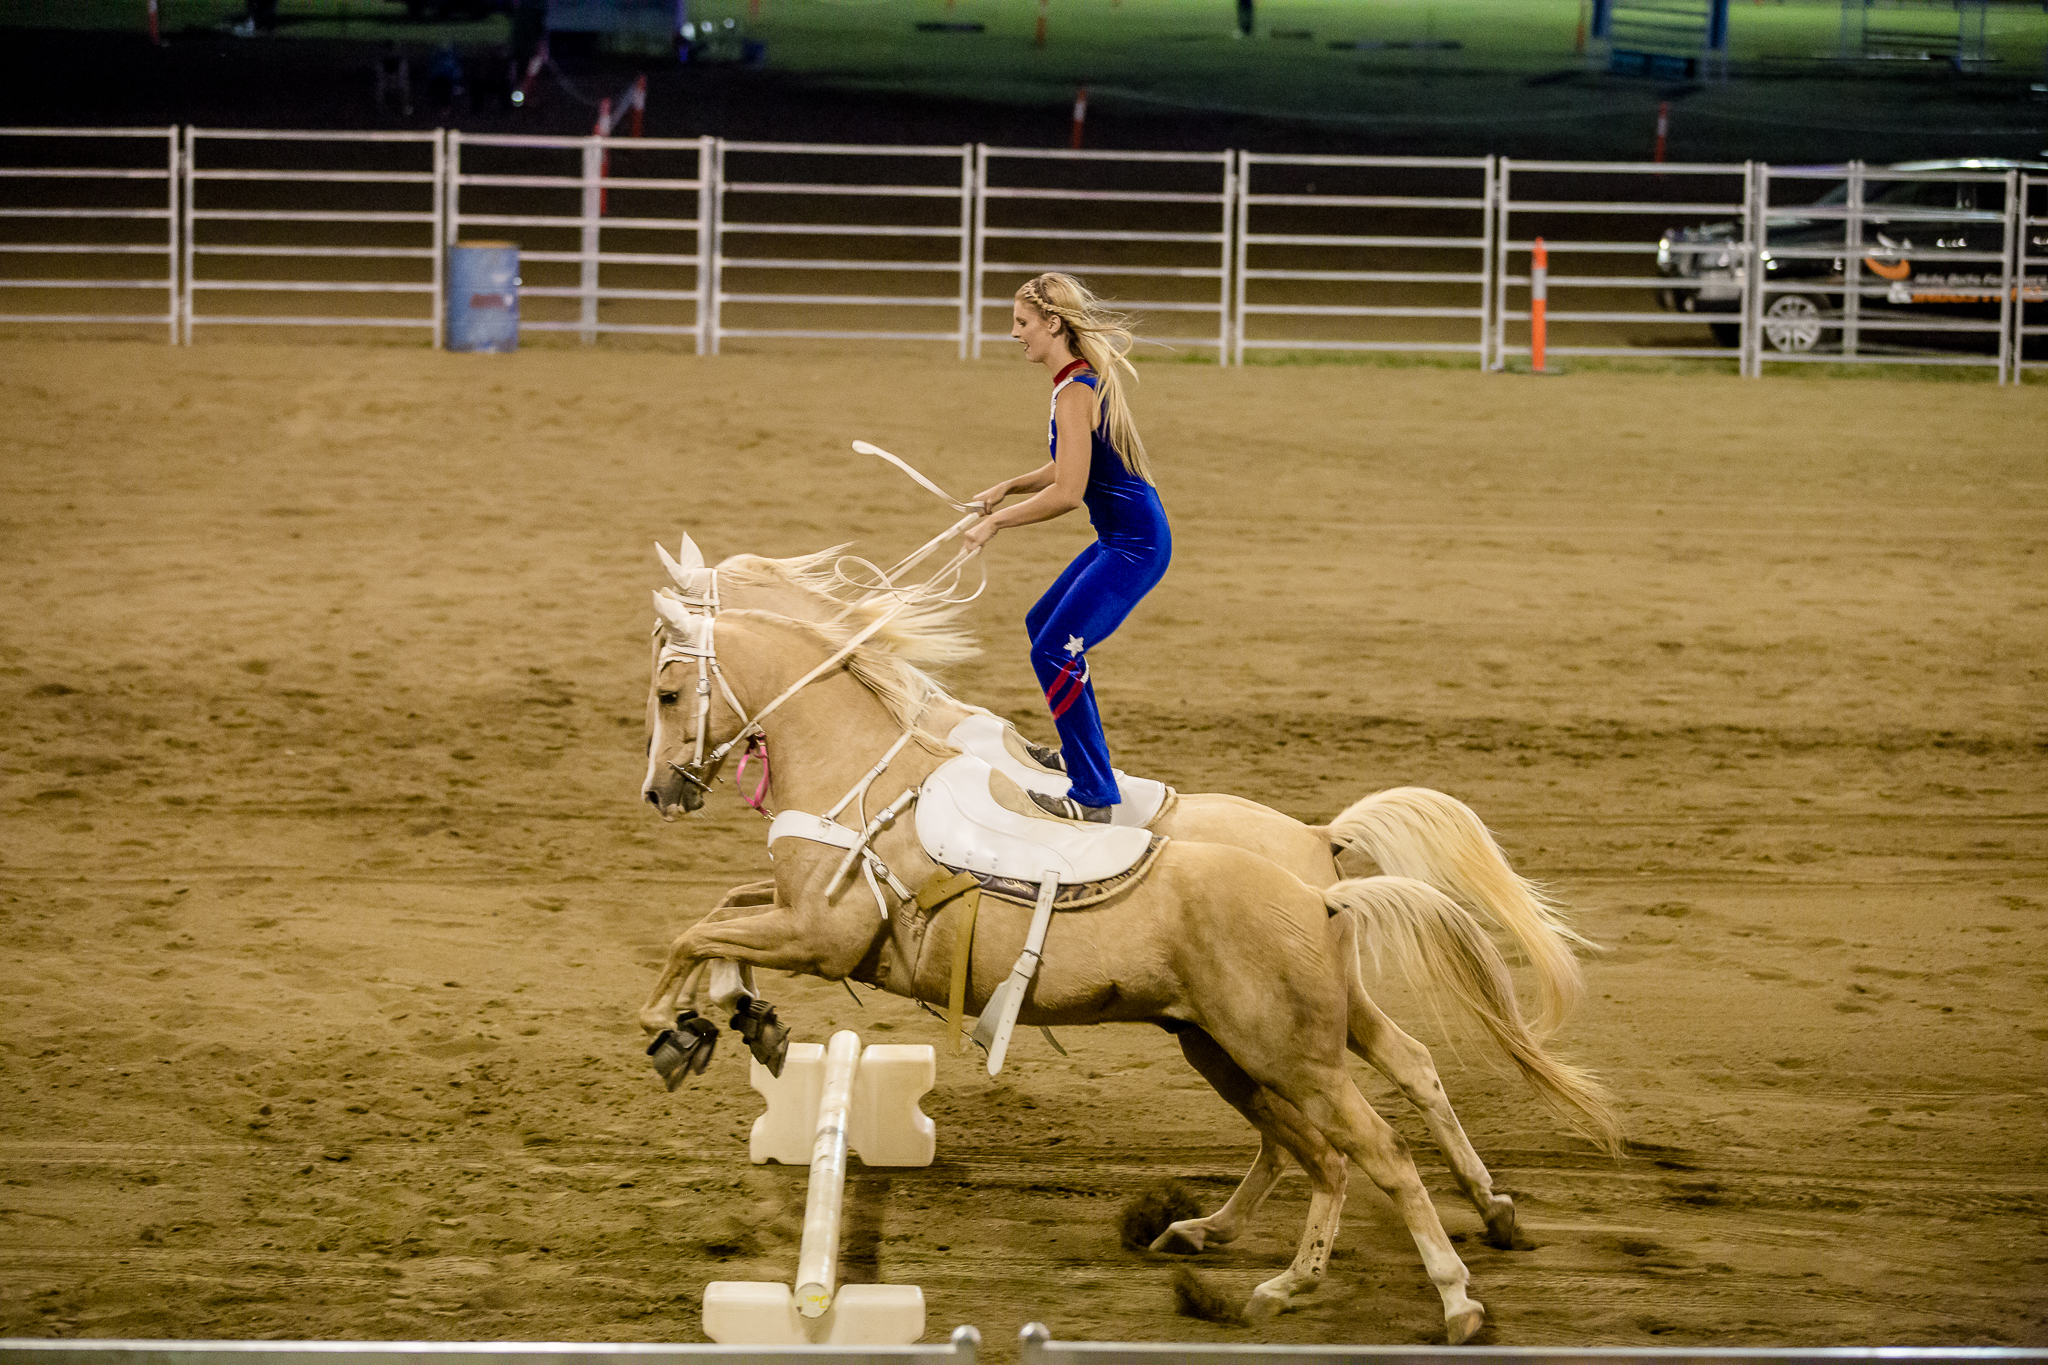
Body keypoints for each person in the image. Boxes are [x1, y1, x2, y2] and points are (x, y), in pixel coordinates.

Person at [964, 273, 1171, 824]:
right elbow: (1069, 466)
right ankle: (1084, 758)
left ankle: (1095, 794)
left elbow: (1069, 494)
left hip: (1134, 547)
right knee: (1043, 628)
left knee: (1056, 650)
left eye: (1022, 323)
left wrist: (998, 524)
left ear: (1053, 324)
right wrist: (1009, 485)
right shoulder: (1073, 385)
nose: (1014, 334)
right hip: (1122, 540)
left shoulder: (1076, 391)